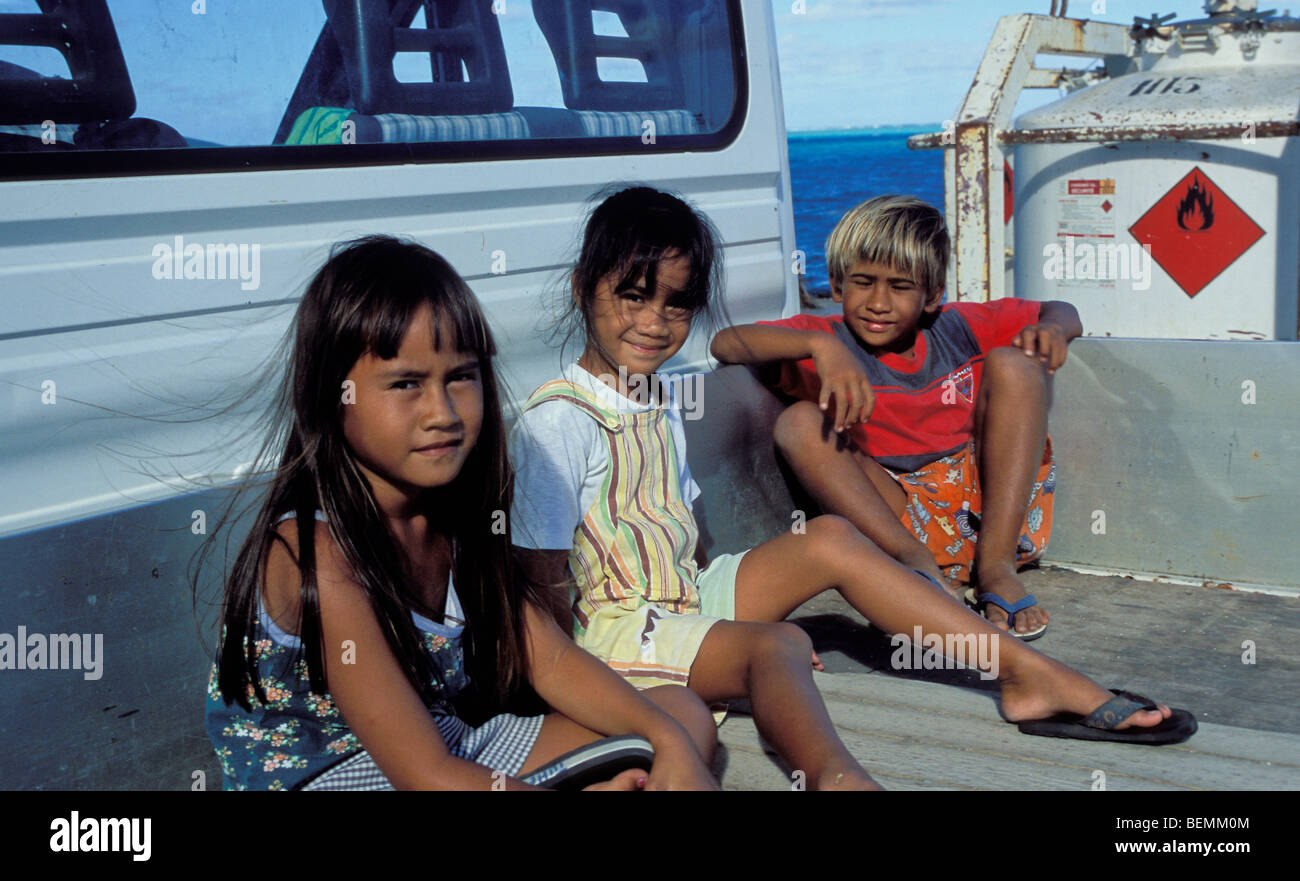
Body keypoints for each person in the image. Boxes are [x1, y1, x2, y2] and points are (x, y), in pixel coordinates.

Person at [511, 187, 1195, 792]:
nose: (654, 321)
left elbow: (682, 536)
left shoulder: (654, 399)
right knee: (776, 646)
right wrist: (731, 638)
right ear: (583, 288)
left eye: (675, 302)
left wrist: (721, 615)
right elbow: (540, 600)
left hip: (677, 594)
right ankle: (840, 779)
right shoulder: (559, 422)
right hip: (611, 631)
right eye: (632, 295)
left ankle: (1019, 671)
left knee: (830, 539)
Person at [202, 236, 718, 791]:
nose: (442, 412)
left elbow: (552, 662)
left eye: (461, 377)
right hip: (333, 778)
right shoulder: (317, 550)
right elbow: (426, 776)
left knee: (679, 714)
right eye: (405, 383)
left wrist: (667, 742)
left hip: (441, 742)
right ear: (334, 396)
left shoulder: (457, 521)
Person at [712, 195, 1074, 640]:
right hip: (899, 518)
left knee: (1016, 364)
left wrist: (1056, 329)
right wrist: (821, 348)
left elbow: (1056, 310)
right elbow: (726, 343)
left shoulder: (959, 326)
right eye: (863, 283)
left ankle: (996, 569)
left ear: (932, 295)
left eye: (900, 287)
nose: (878, 303)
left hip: (989, 509)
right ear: (838, 287)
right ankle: (912, 565)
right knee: (800, 421)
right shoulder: (824, 339)